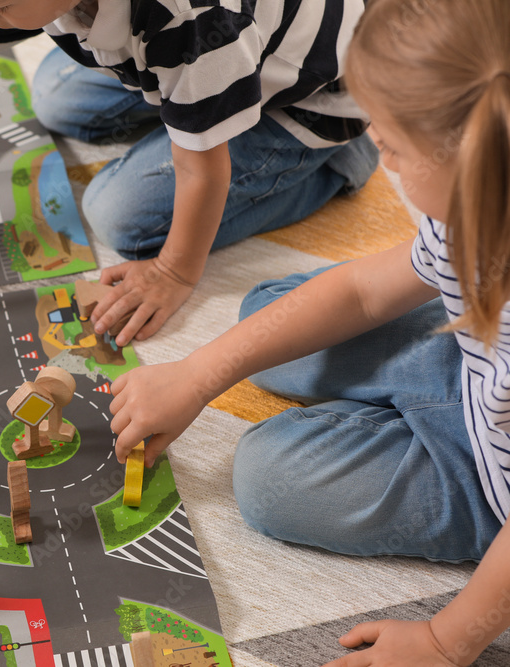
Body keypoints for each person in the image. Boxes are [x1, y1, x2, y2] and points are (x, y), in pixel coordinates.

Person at [109, 0, 510, 663]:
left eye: (391, 147)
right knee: (262, 316)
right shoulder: (473, 197)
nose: (384, 156)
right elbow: (359, 289)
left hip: (490, 475)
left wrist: (443, 639)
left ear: (469, 160)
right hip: (470, 357)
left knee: (267, 477)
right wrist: (198, 373)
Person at [0, 0, 379, 342]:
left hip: (316, 97)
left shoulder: (196, 28)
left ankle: (338, 159)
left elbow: (204, 175)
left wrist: (172, 273)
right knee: (57, 100)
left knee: (122, 216)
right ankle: (188, 106)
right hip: (196, 52)